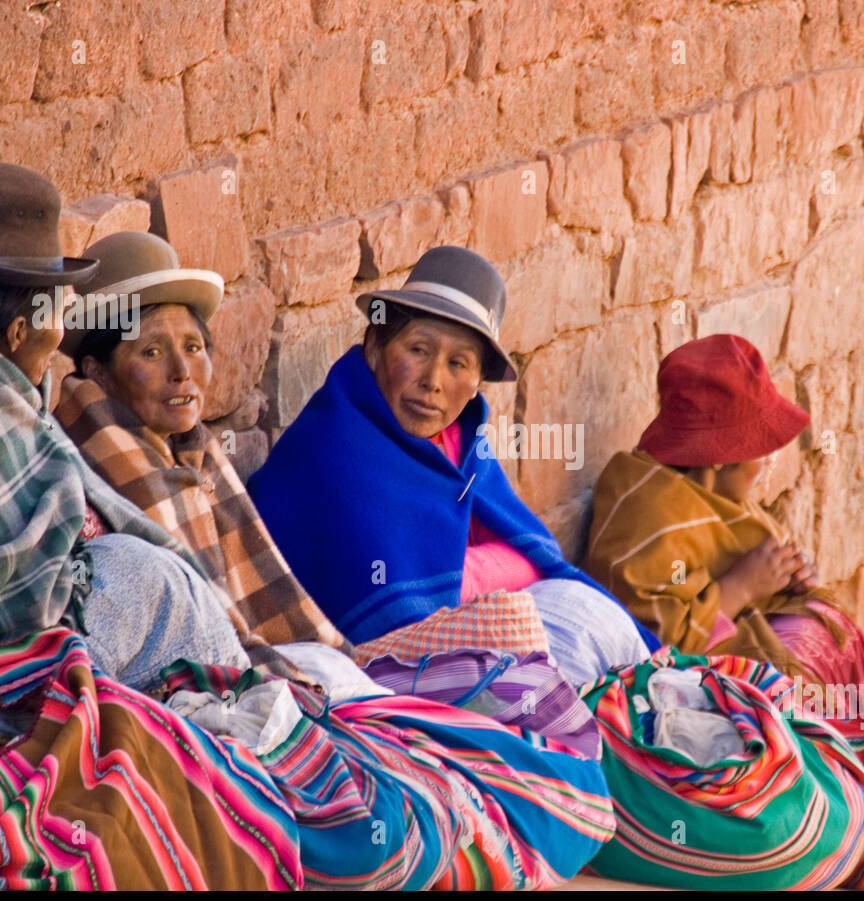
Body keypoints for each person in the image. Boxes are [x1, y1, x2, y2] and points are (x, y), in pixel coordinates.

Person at [0, 163, 248, 690]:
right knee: (152, 580)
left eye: (193, 347)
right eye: (55, 312)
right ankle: (231, 717)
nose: (58, 337)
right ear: (16, 331)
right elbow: (16, 605)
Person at [248, 245, 659, 684]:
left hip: (453, 653)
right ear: (374, 348)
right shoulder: (334, 451)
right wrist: (472, 581)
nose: (434, 381)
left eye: (458, 363)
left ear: (477, 382)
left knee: (588, 624)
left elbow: (536, 556)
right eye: (418, 349)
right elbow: (394, 614)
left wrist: (462, 576)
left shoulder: (461, 448)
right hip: (359, 672)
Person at [52, 230, 350, 656]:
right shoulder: (88, 462)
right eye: (151, 352)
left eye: (193, 347)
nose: (182, 371)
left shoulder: (194, 451)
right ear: (97, 372)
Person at [584, 333, 864, 688]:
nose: (767, 463)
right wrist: (740, 588)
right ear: (720, 455)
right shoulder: (647, 513)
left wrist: (788, 582)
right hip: (670, 685)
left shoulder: (713, 500)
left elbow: (732, 558)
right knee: (794, 683)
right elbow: (657, 647)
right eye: (760, 449)